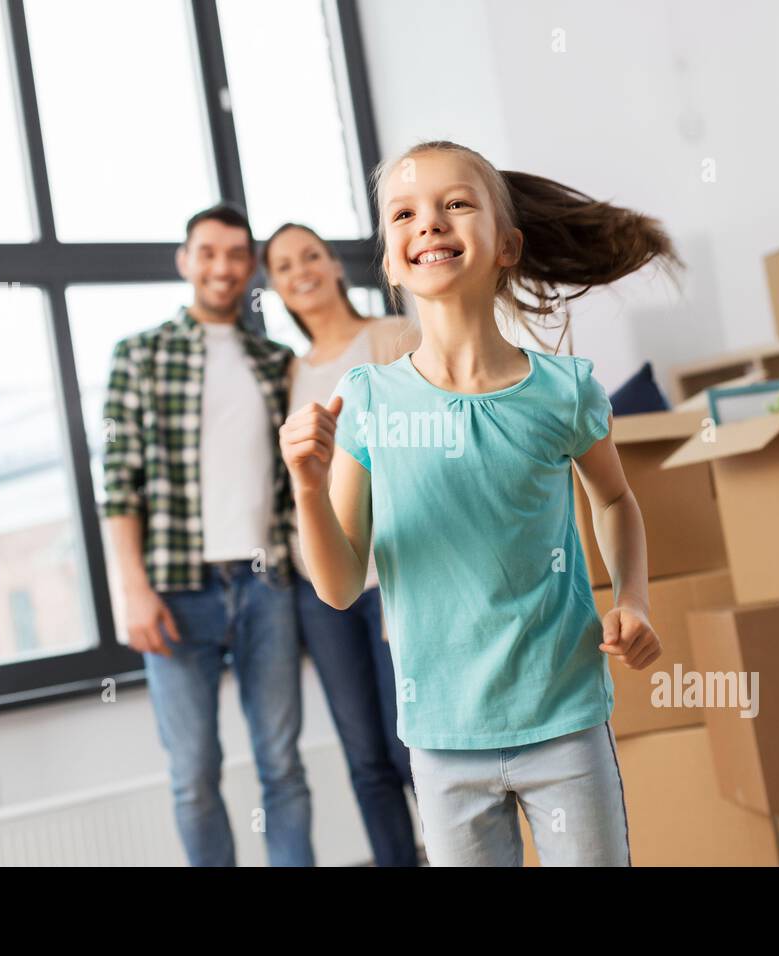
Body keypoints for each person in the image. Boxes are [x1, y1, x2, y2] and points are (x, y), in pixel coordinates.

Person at [279, 141, 674, 866]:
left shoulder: (565, 390)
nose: (429, 223)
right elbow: (338, 588)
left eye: (456, 204)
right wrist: (306, 486)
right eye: (404, 213)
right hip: (442, 741)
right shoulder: (367, 403)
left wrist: (635, 600)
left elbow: (615, 500)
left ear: (506, 246)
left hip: (565, 722)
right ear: (392, 261)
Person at [103, 203, 313, 867]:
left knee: (282, 763)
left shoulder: (276, 361)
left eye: (235, 255)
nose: (222, 267)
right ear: (186, 261)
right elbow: (117, 481)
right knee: (193, 774)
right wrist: (132, 589)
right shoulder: (139, 355)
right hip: (176, 589)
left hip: (264, 582)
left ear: (250, 267)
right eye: (208, 253)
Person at [263, 222, 421, 866]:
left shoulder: (391, 337)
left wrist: (400, 582)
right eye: (281, 265)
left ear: (333, 265)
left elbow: (425, 456)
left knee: (410, 745)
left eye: (310, 255)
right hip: (322, 591)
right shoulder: (284, 373)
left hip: (393, 574)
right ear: (273, 286)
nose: (299, 270)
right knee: (366, 760)